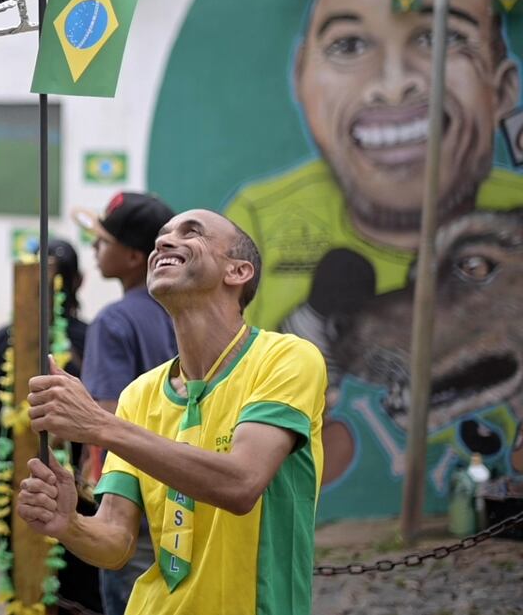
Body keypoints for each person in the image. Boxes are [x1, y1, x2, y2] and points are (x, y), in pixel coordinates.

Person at [18, 210, 327, 615]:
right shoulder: (139, 394)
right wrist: (70, 523)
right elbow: (115, 541)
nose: (163, 242)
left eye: (191, 232)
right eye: (162, 236)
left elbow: (241, 484)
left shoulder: (286, 359)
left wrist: (99, 425)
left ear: (238, 271)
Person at [224, 0, 523, 331]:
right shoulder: (258, 224)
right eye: (349, 44)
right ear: (301, 81)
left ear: (501, 90)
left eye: (441, 39)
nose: (394, 85)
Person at [0, 237, 101, 615]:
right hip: (83, 505)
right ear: (81, 281)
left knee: (30, 594)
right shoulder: (96, 341)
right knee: (77, 599)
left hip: (27, 497)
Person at [71, 191, 178, 615]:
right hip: (190, 486)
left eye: (104, 240)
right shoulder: (186, 308)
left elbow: (105, 420)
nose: (95, 248)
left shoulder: (114, 320)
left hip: (132, 497)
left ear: (136, 257)